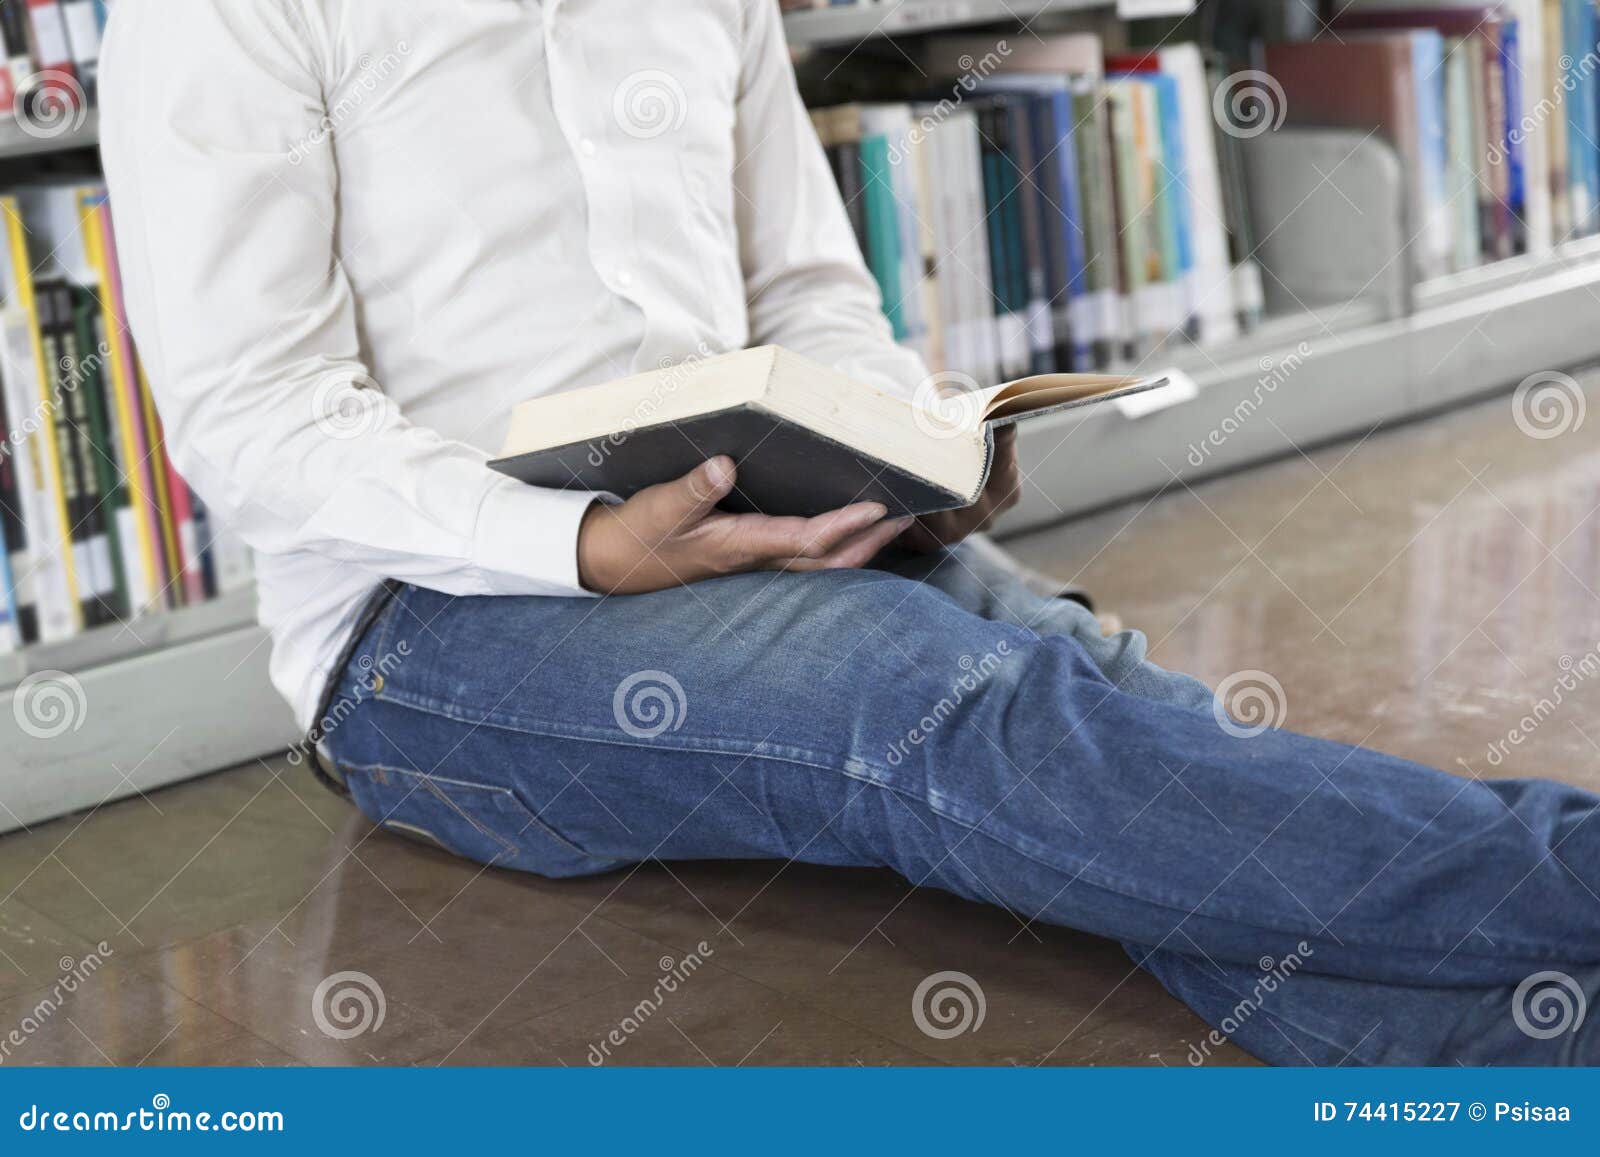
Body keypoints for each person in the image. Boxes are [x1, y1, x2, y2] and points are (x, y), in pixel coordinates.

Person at [100, 0, 1597, 1065]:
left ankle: (1531, 1052)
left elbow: (814, 300)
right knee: (946, 703)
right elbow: (253, 415)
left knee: (1096, 687)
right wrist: (581, 546)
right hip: (429, 630)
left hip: (750, 517)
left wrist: (903, 443)